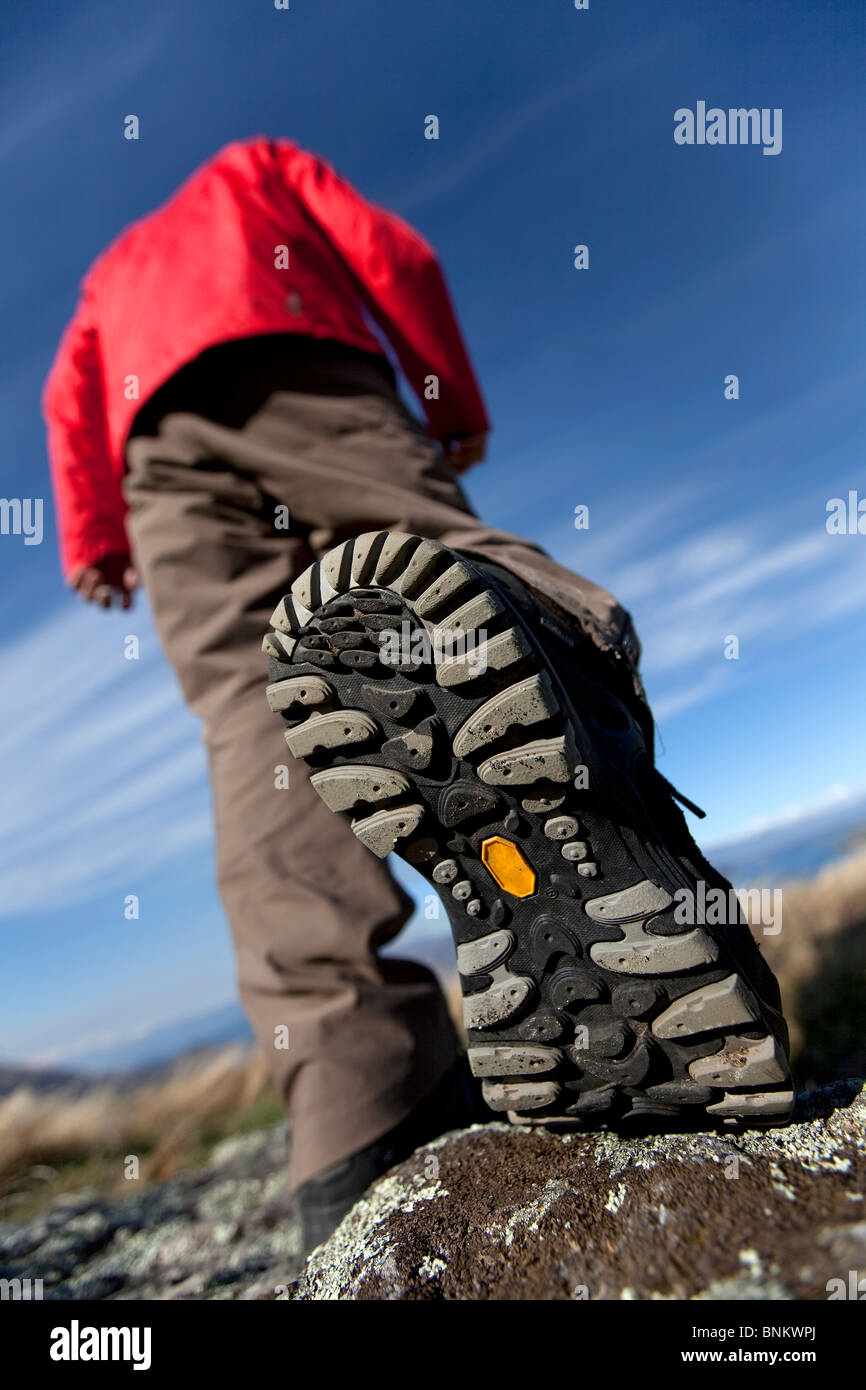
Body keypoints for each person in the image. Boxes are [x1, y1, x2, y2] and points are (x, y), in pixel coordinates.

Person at [44, 137, 792, 1254]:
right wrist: (448, 386)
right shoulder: (253, 167)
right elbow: (392, 250)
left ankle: (356, 1110)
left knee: (251, 726)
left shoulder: (108, 277)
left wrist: (94, 531)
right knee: (444, 559)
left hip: (155, 451)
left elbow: (70, 392)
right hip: (296, 348)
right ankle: (595, 779)